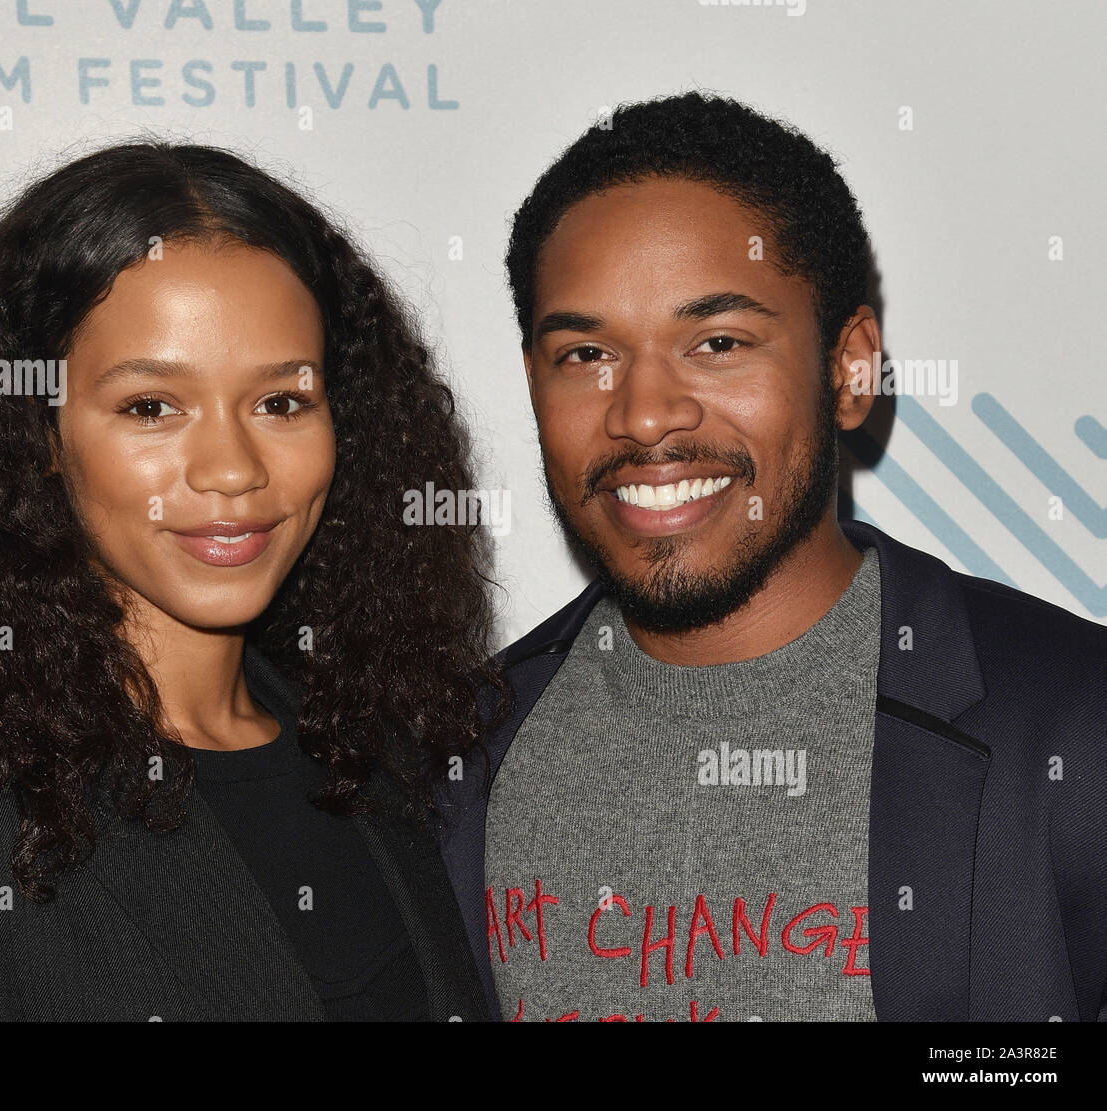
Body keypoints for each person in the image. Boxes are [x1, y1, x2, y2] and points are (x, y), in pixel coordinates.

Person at [440, 92, 1107, 1023]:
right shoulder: (457, 751)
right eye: (588, 352)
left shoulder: (1074, 726)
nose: (642, 412)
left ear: (848, 370)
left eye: (717, 343)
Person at [0, 140, 496, 1021]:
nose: (232, 468)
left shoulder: (391, 763)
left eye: (282, 401)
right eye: (150, 407)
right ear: (38, 436)